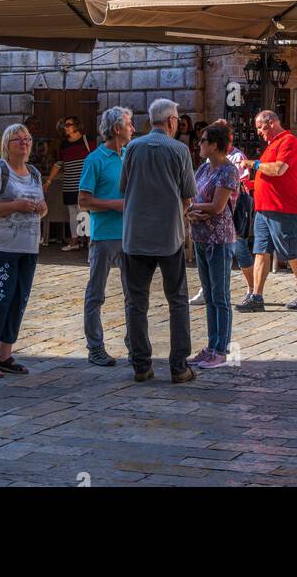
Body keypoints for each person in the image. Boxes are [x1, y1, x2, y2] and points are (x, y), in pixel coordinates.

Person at [120, 98, 197, 384]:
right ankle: (178, 366)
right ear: (171, 121)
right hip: (169, 237)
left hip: (135, 237)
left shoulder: (132, 148)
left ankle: (140, 364)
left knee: (136, 302)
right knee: (177, 301)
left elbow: (124, 187)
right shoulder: (179, 150)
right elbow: (188, 194)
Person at [0, 124, 47, 379]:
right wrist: (16, 205)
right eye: (18, 139)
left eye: (27, 138)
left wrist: (40, 208)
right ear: (8, 144)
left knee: (18, 300)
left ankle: (5, 354)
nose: (24, 142)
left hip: (27, 247)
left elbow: (44, 207)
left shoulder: (35, 174)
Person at [237, 110, 297, 313]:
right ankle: (256, 296)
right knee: (261, 251)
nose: (258, 132)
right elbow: (271, 177)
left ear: (271, 122)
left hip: (282, 208)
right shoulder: (272, 144)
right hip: (264, 207)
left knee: (289, 251)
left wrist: (253, 163)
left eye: (259, 127)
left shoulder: (288, 141)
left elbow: (278, 169)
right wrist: (254, 184)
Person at [78, 106, 134, 367]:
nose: (133, 128)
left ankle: (134, 345)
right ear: (116, 129)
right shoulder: (95, 159)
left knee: (133, 294)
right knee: (96, 294)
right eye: (129, 124)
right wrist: (115, 204)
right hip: (104, 236)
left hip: (130, 236)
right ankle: (95, 348)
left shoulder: (128, 157)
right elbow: (83, 200)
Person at [187, 123, 240, 367]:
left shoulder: (228, 171)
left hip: (219, 239)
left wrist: (194, 209)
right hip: (200, 237)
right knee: (209, 294)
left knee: (220, 295)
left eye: (203, 141)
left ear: (214, 145)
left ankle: (221, 349)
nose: (199, 145)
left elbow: (218, 206)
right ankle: (211, 346)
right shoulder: (203, 169)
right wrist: (192, 211)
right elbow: (193, 199)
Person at [44, 117, 93, 251]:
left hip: (84, 185)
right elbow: (59, 163)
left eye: (68, 125)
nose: (65, 127)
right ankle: (74, 241)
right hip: (69, 184)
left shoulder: (88, 141)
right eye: (65, 125)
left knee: (84, 212)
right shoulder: (64, 145)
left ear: (77, 126)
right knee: (72, 212)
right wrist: (48, 181)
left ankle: (90, 241)